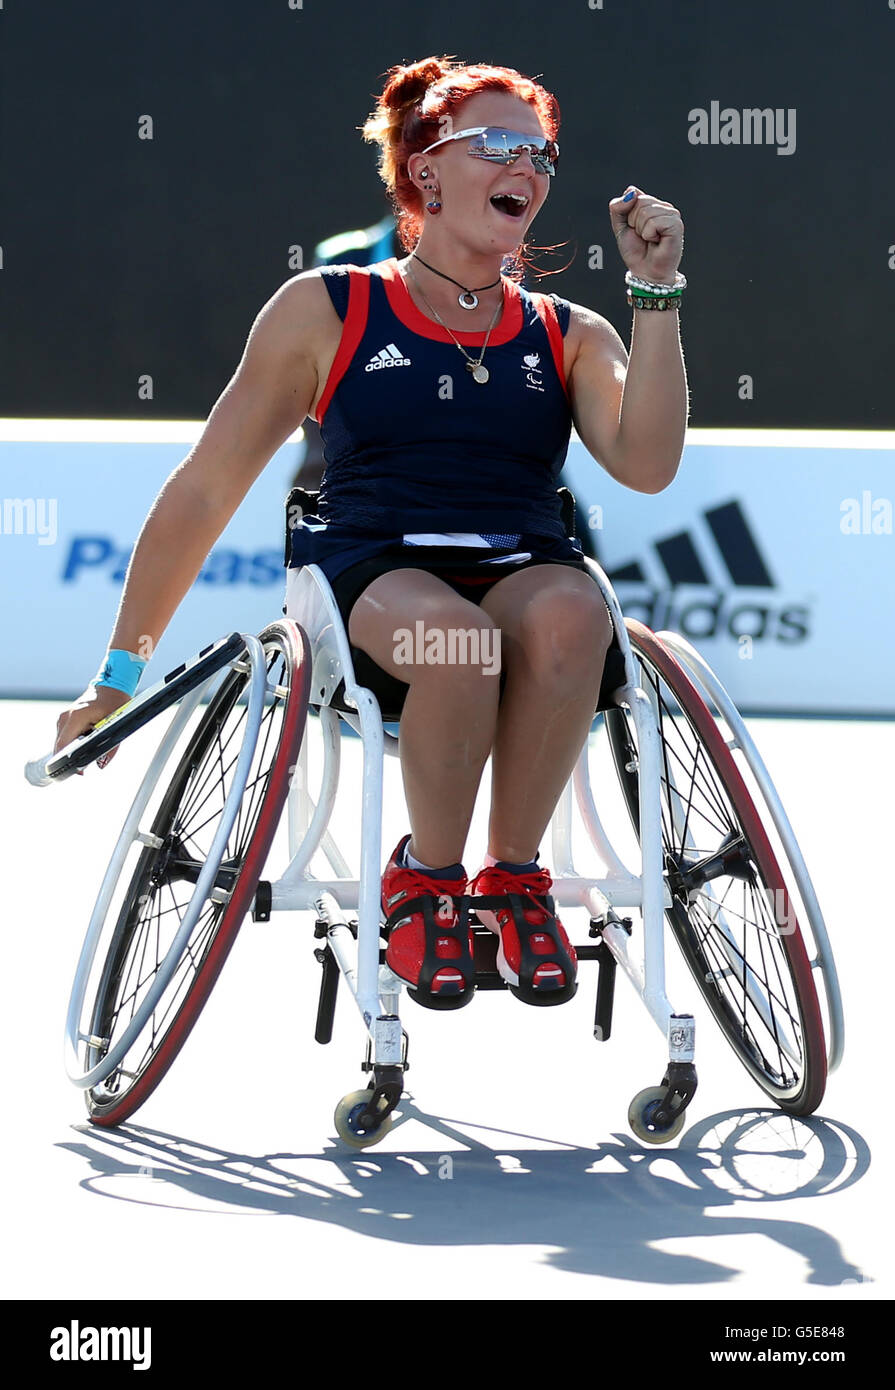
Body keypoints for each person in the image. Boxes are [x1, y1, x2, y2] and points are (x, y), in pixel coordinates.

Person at [53, 55, 687, 1013]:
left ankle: (510, 880)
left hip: (518, 556)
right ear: (427, 170)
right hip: (366, 564)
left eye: (541, 152)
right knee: (457, 644)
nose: (529, 167)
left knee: (571, 616)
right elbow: (204, 490)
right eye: (499, 146)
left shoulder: (566, 329)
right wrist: (120, 674)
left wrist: (657, 297)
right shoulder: (326, 307)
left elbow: (646, 466)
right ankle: (423, 880)